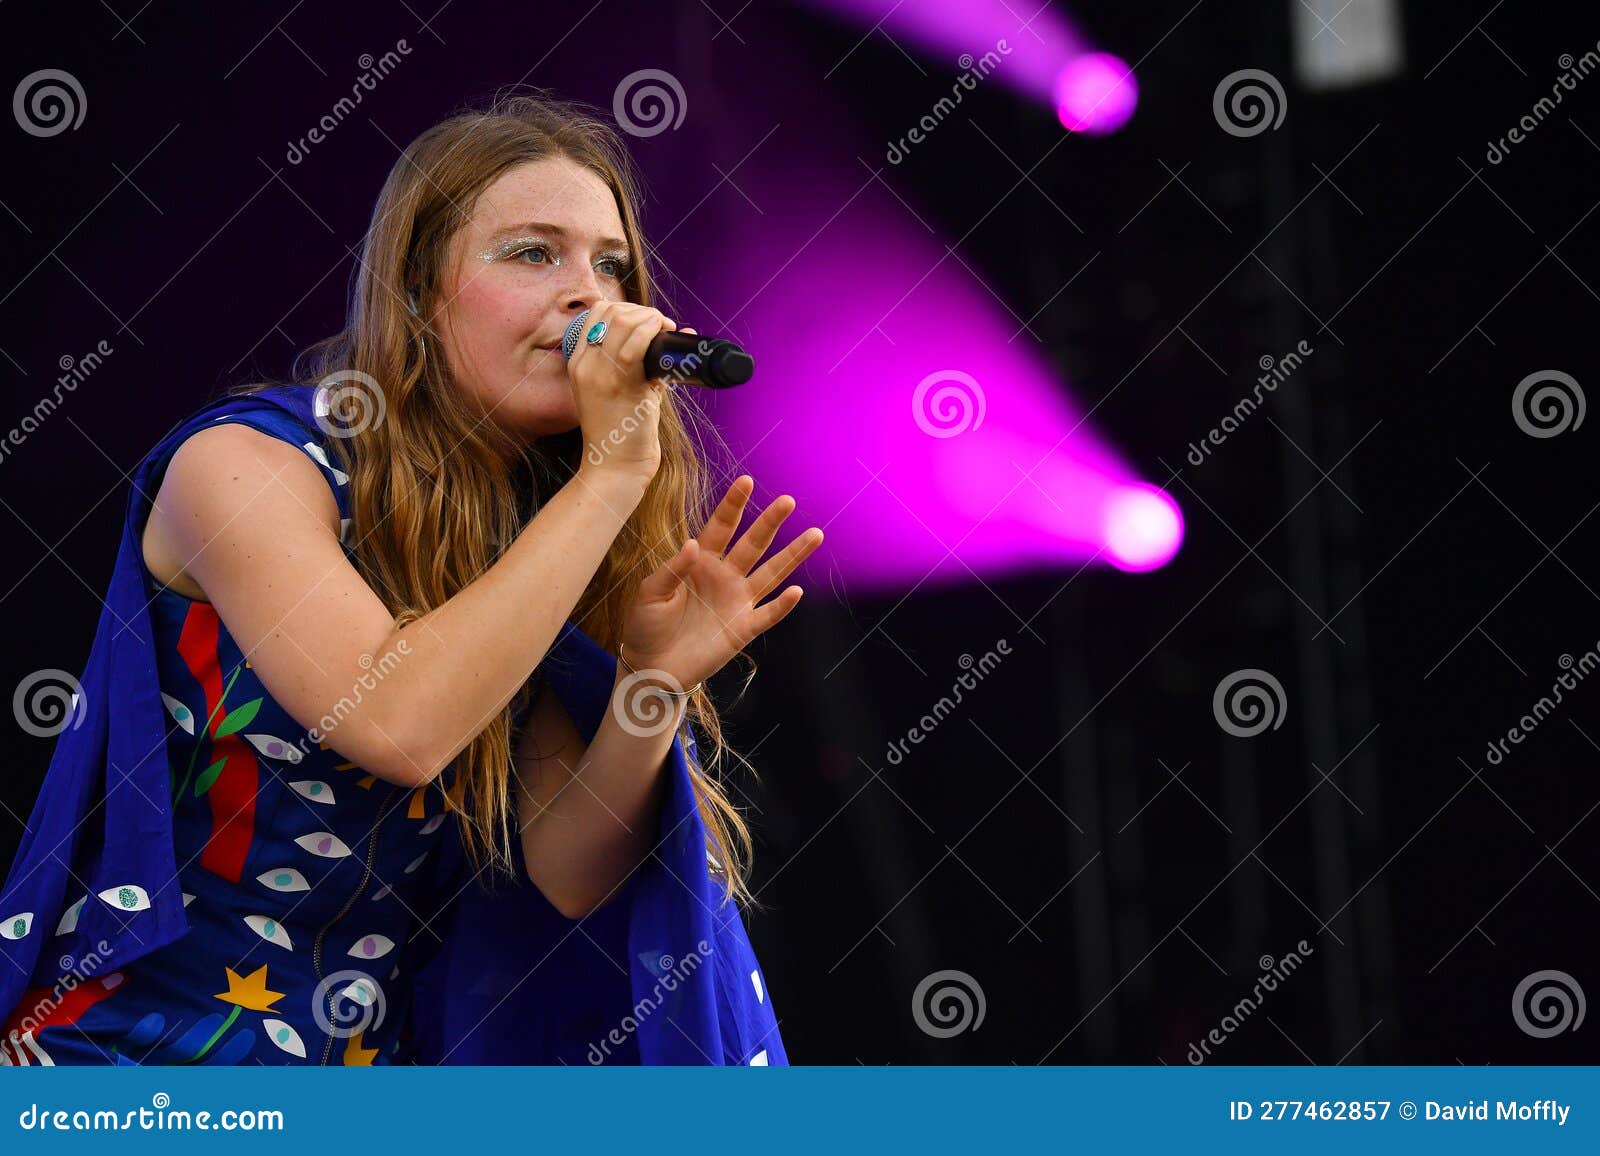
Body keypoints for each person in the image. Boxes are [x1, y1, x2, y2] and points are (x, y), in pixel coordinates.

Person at [0, 90, 817, 1065]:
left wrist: (649, 686)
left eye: (610, 264)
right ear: (420, 297)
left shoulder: (537, 537)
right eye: (531, 252)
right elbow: (397, 723)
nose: (589, 295)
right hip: (134, 1060)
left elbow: (562, 872)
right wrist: (609, 476)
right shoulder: (246, 467)